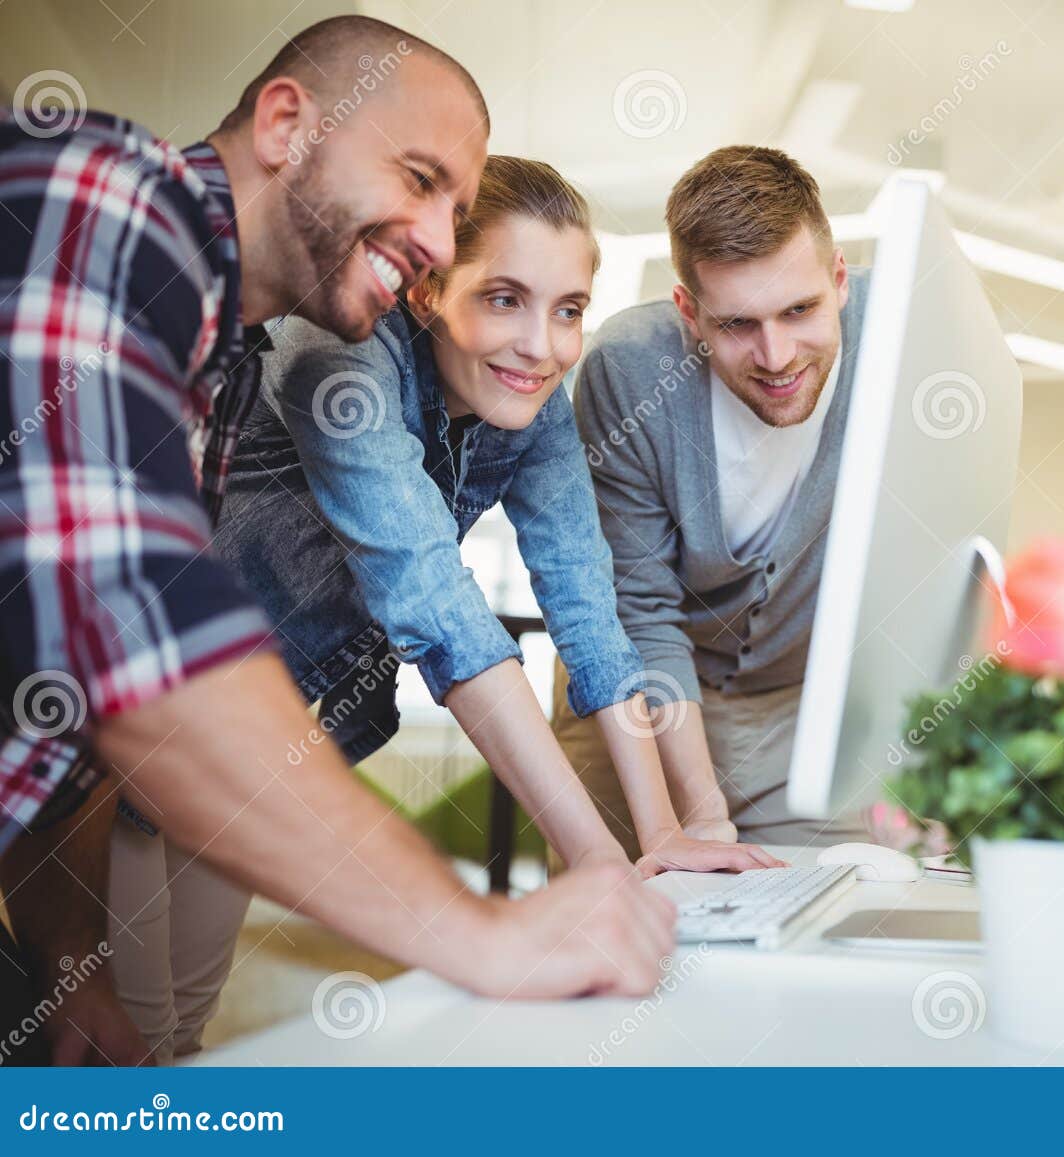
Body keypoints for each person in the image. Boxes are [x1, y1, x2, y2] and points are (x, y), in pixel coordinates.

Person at [0, 15, 673, 1066]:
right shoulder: (121, 205)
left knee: (142, 1051)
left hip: (134, 800)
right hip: (181, 766)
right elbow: (139, 645)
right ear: (284, 124)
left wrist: (62, 951)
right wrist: (480, 932)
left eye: (456, 209)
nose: (440, 240)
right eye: (418, 178)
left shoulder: (221, 363)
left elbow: (67, 671)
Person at [553, 146, 875, 855]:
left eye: (800, 309)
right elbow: (640, 611)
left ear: (840, 278)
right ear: (689, 312)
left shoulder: (904, 335)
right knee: (618, 928)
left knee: (835, 898)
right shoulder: (628, 369)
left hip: (797, 704)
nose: (777, 354)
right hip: (633, 696)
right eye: (736, 324)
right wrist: (703, 818)